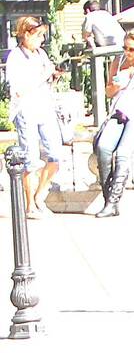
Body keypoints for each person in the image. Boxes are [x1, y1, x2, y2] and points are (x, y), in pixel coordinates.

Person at [91, 27, 134, 219]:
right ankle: (109, 201)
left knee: (123, 153)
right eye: (125, 48)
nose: (127, 53)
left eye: (131, 49)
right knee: (104, 148)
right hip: (120, 111)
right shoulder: (118, 61)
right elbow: (108, 92)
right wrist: (115, 86)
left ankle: (112, 202)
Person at [4, 17, 62, 218]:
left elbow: (47, 76)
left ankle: (39, 195)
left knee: (55, 153)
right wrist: (43, 76)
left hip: (45, 107)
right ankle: (29, 205)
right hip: (26, 110)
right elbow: (19, 89)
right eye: (38, 36)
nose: (41, 40)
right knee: (30, 158)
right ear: (26, 34)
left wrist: (53, 75)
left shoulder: (41, 54)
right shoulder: (15, 57)